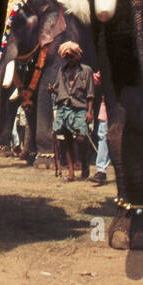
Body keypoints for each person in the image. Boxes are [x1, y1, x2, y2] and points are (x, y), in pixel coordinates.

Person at [49, 41, 97, 181]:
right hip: (64, 108)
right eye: (67, 57)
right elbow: (60, 90)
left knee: (81, 138)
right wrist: (53, 90)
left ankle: (84, 163)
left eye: (72, 56)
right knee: (67, 139)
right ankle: (71, 173)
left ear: (78, 55)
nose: (70, 59)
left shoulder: (86, 71)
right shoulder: (61, 71)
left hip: (80, 108)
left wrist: (90, 112)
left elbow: (90, 93)